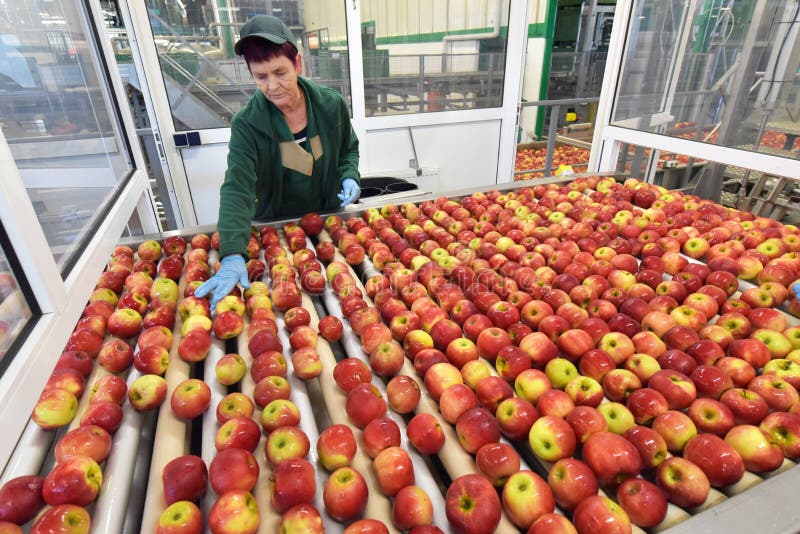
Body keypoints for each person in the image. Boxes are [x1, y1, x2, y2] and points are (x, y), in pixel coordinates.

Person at [195, 15, 361, 310]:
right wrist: (233, 251)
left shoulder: (330, 105)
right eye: (261, 77)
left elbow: (348, 149)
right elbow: (238, 187)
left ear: (298, 63)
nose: (273, 86)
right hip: (276, 231)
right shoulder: (248, 124)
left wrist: (350, 174)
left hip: (327, 223)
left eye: (280, 72)